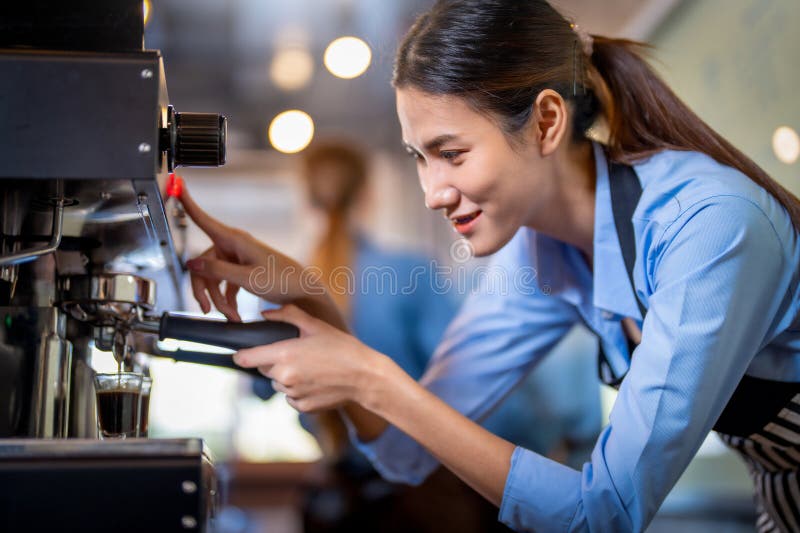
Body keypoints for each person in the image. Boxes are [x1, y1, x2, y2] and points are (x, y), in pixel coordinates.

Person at [180, 1, 800, 531]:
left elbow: (606, 512)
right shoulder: (545, 252)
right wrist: (310, 295)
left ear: (547, 122)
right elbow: (405, 451)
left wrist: (372, 378)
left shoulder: (709, 225)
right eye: (419, 158)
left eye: (451, 153)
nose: (432, 191)